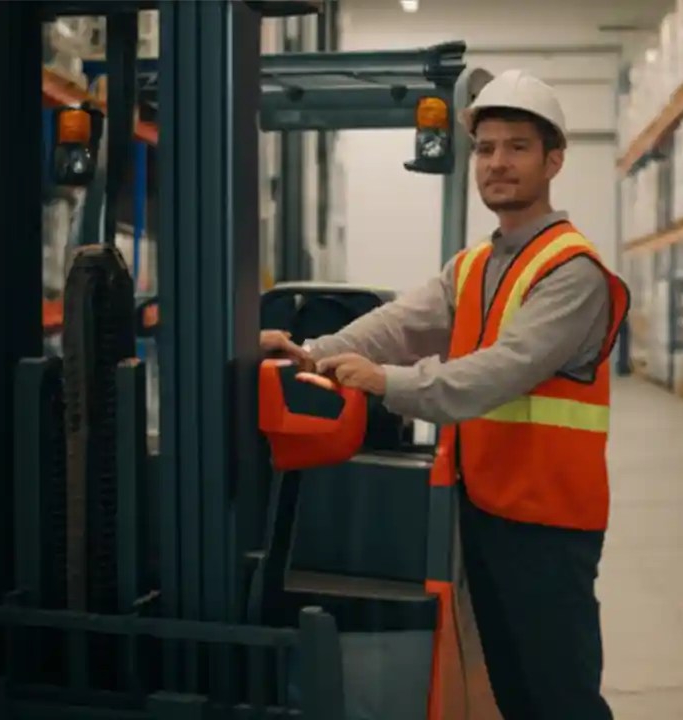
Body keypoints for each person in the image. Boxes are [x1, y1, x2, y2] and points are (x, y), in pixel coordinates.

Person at [261, 69, 629, 720]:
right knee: (516, 691)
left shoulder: (572, 272)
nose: (497, 163)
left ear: (555, 160)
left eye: (517, 147)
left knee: (559, 696)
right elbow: (401, 323)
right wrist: (312, 351)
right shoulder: (475, 266)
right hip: (487, 505)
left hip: (548, 520)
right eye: (486, 148)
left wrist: (387, 383)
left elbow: (496, 372)